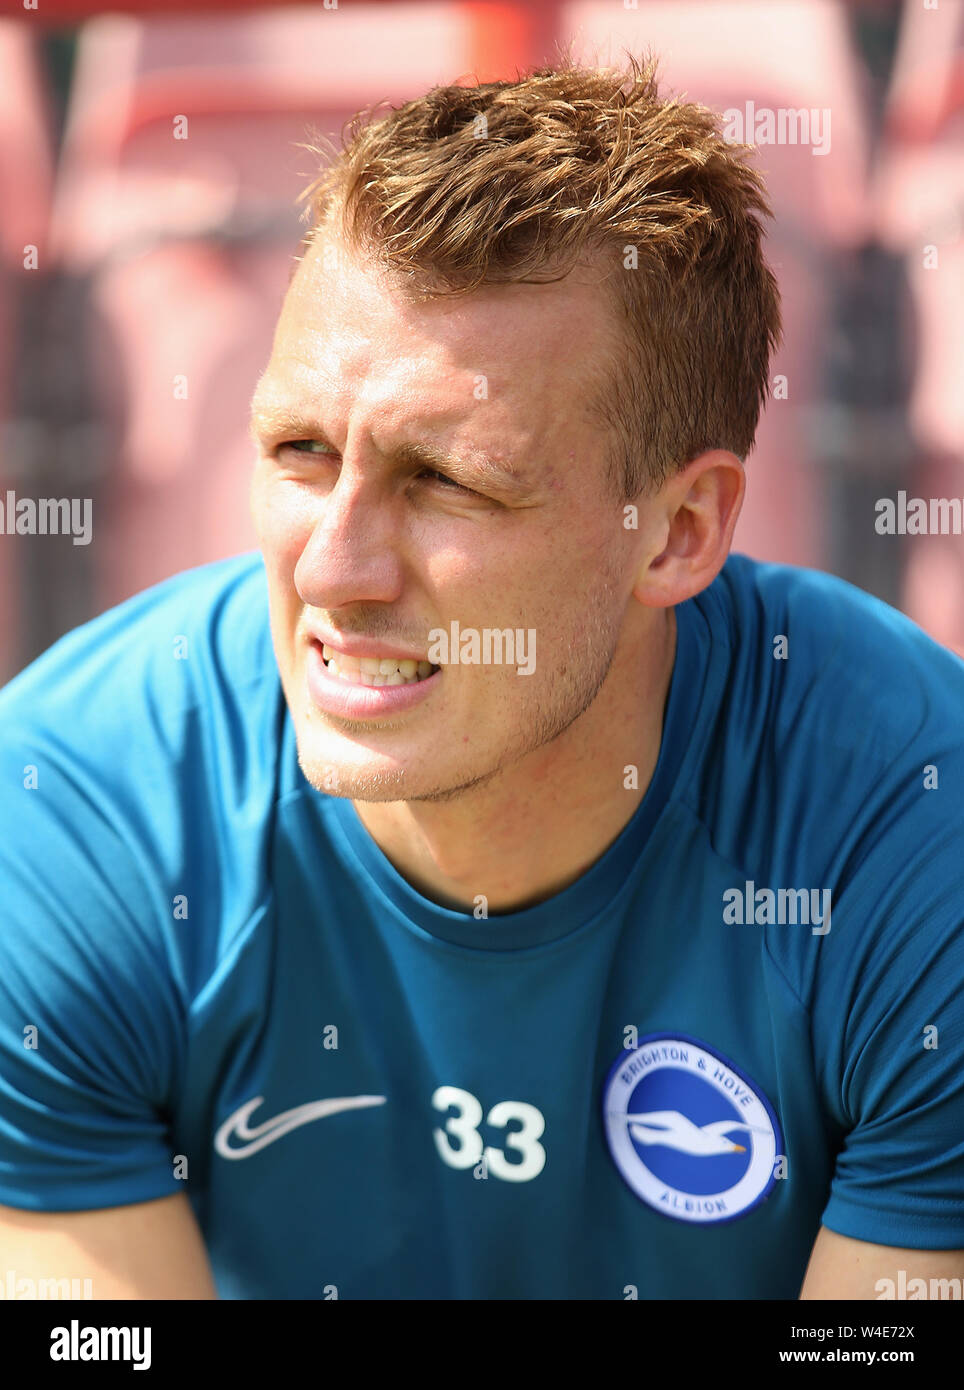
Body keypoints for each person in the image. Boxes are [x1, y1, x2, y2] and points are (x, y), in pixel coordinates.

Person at [0, 56, 962, 1301]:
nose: (333, 569)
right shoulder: (73, 815)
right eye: (299, 451)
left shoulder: (913, 836)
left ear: (677, 531)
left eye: (448, 480)